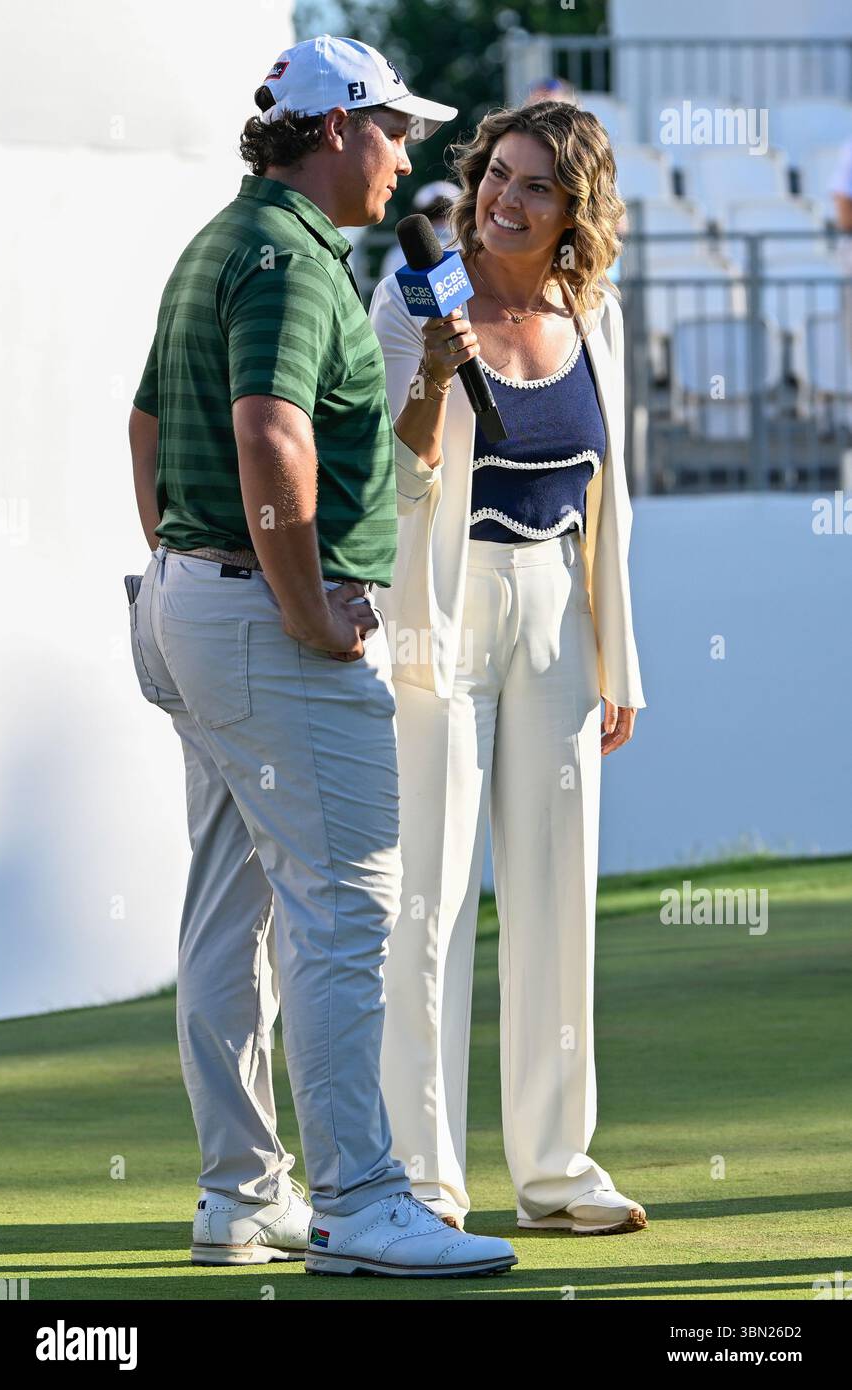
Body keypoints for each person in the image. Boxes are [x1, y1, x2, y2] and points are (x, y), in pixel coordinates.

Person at [126, 34, 515, 1278]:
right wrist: (292, 601)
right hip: (262, 623)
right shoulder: (291, 263)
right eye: (395, 129)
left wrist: (193, 566)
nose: (411, 158)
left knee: (228, 916)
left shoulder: (224, 240)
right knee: (346, 910)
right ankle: (358, 1198)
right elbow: (269, 438)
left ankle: (242, 1195)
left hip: (196, 607)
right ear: (337, 127)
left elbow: (146, 426)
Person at [369, 99, 648, 1234]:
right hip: (441, 613)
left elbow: (607, 494)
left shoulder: (596, 312)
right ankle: (424, 1185)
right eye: (495, 173)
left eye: (535, 185)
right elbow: (394, 475)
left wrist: (613, 654)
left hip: (556, 617)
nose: (502, 198)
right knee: (423, 907)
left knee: (556, 897)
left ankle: (554, 1173)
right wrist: (436, 373)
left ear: (573, 211)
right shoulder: (408, 296)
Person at [379, 179, 461, 280]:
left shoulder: (476, 250)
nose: (441, 220)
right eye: (431, 214)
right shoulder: (398, 256)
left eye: (449, 212)